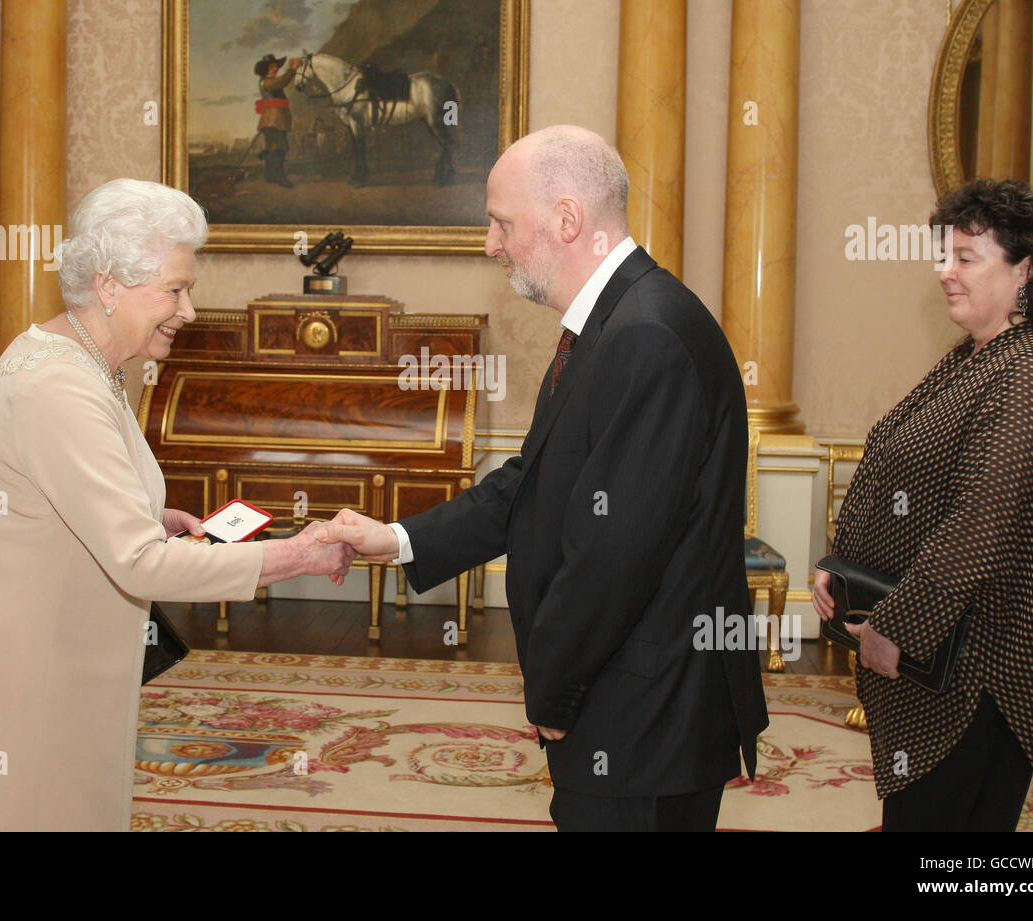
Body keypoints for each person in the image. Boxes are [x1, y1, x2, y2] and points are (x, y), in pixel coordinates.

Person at [316, 125, 769, 831]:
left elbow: (614, 556)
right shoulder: (613, 322)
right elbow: (534, 483)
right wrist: (399, 537)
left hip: (644, 715)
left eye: (500, 222)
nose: (490, 243)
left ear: (566, 219)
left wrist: (553, 695)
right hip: (629, 699)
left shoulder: (644, 335)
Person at [0, 179, 352, 831]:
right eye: (175, 289)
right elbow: (139, 564)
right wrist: (291, 557)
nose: (189, 310)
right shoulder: (58, 385)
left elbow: (81, 501)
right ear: (109, 285)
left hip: (67, 648)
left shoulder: (90, 363)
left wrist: (155, 517)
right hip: (31, 663)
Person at [812, 178, 1033, 831]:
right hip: (948, 656)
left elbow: (980, 521)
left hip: (982, 672)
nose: (944, 271)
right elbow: (897, 466)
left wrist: (897, 629)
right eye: (945, 255)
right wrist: (841, 561)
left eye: (966, 257)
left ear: (1025, 269)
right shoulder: (979, 358)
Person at [253, 54, 301, 188]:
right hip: (273, 120)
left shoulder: (269, 81)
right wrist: (293, 69)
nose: (275, 69)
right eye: (271, 67)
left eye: (275, 67)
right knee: (279, 148)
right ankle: (281, 178)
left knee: (272, 147)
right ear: (265, 70)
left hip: (276, 120)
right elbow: (283, 81)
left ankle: (270, 176)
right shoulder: (267, 82)